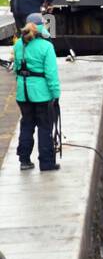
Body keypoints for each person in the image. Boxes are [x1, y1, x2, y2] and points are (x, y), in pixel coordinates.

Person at [13, 14, 61, 172]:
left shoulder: (19, 45)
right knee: (45, 127)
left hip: (23, 94)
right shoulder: (46, 46)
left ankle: (24, 160)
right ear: (42, 26)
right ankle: (46, 163)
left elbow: (15, 70)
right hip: (42, 95)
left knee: (27, 125)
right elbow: (51, 74)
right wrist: (56, 93)